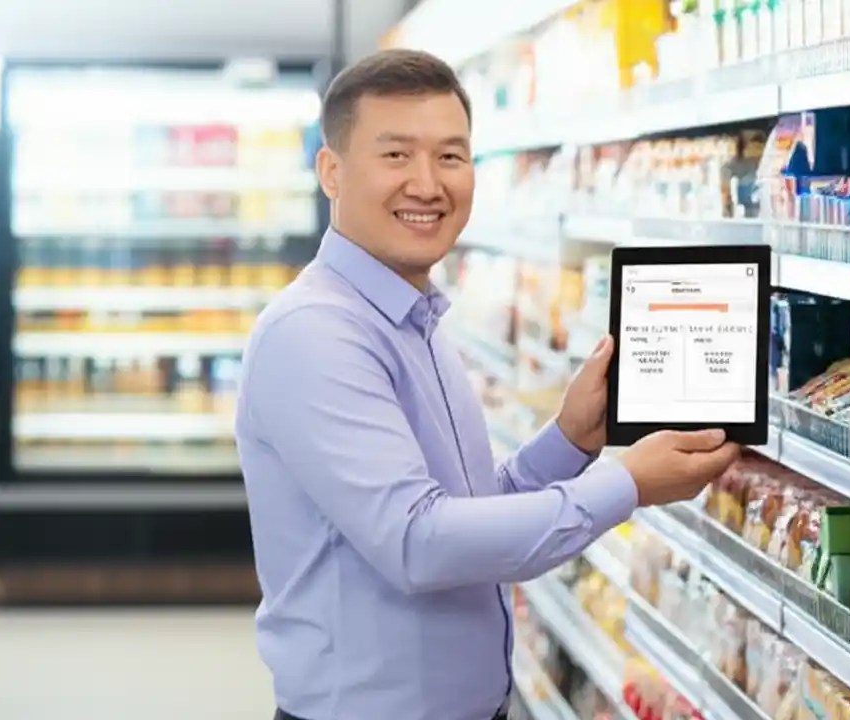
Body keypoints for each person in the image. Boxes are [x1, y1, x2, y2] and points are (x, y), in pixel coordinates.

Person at [235, 48, 742, 720]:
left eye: (450, 156)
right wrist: (629, 484)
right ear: (332, 172)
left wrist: (568, 440)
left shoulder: (412, 316)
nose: (427, 183)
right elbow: (420, 541)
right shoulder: (315, 333)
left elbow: (468, 509)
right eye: (396, 156)